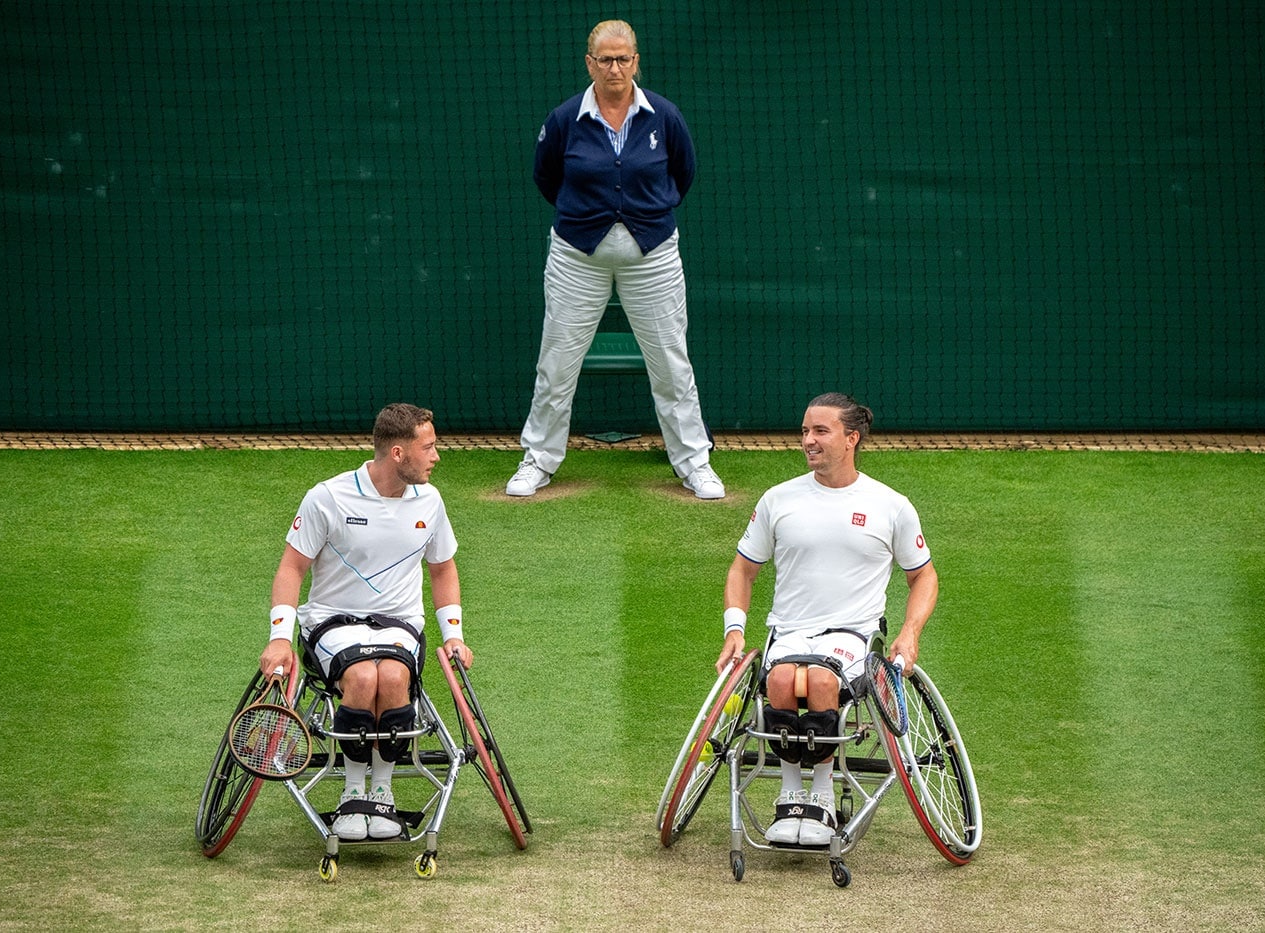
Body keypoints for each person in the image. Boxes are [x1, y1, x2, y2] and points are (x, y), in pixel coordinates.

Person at [507, 19, 723, 500]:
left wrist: (642, 219)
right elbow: (547, 177)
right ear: (590, 63)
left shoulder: (664, 116)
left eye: (623, 58)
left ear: (636, 60)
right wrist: (589, 220)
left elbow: (682, 174)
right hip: (576, 256)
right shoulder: (565, 118)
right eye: (604, 59)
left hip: (654, 255)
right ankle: (538, 461)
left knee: (671, 362)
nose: (614, 67)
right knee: (556, 362)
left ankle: (693, 462)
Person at [715, 393, 939, 847]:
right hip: (790, 630)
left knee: (819, 681)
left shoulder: (890, 505)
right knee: (779, 681)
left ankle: (818, 799)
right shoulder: (779, 500)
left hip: (852, 635)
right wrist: (734, 629)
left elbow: (924, 576)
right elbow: (743, 569)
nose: (808, 441)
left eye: (820, 431)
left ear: (851, 438)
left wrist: (910, 634)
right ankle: (789, 794)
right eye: (804, 431)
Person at [259, 403, 473, 842]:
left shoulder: (430, 501)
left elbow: (443, 569)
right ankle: (352, 792)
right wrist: (280, 639)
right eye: (428, 447)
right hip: (332, 625)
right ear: (398, 453)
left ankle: (382, 792)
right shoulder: (328, 497)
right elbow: (291, 569)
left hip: (398, 625)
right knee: (360, 678)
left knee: (393, 677)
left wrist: (454, 636)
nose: (437, 456)